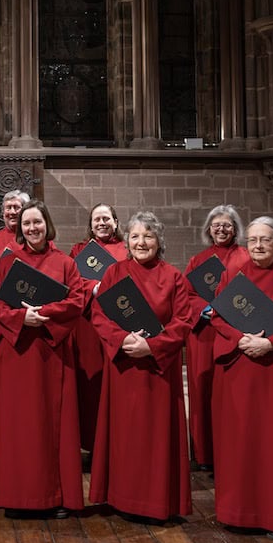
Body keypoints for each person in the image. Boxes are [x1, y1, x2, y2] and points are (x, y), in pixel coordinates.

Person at [0, 200, 88, 518]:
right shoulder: (7, 261)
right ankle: (15, 496)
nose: (32, 228)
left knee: (50, 425)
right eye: (26, 223)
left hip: (51, 353)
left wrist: (44, 313)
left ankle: (54, 496)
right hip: (17, 353)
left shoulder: (65, 262)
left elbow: (77, 300)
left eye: (37, 222)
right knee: (18, 426)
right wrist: (20, 318)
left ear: (47, 224)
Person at [210, 217, 273, 540]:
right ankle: (238, 513)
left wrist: (272, 343)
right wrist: (240, 339)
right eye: (252, 240)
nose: (257, 246)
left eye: (265, 239)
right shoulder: (232, 275)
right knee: (239, 442)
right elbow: (218, 315)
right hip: (239, 369)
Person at [88, 211, 194, 524]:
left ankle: (156, 502)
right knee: (125, 437)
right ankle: (122, 498)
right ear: (127, 242)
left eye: (148, 236)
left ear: (159, 240)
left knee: (156, 438)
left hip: (158, 370)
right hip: (124, 368)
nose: (141, 242)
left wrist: (153, 346)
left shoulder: (173, 277)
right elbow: (99, 314)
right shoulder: (114, 273)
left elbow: (183, 320)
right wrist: (121, 339)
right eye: (135, 236)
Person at [182, 205, 250, 471]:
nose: (221, 229)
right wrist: (206, 308)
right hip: (205, 332)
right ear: (209, 229)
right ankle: (204, 454)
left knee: (232, 394)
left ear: (236, 229)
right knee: (203, 390)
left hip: (234, 331)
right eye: (216, 225)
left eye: (227, 225)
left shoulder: (246, 257)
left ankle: (231, 451)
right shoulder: (198, 260)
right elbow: (186, 294)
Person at [68, 203, 127, 457]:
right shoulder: (79, 250)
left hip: (118, 323)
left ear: (115, 222)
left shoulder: (127, 249)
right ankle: (92, 444)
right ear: (90, 225)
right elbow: (71, 283)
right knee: (91, 385)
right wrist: (94, 287)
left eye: (106, 218)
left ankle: (118, 442)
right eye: (97, 220)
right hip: (88, 326)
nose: (101, 223)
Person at [0, 189, 30, 257]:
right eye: (8, 208)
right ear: (3, 213)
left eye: (16, 207)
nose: (12, 212)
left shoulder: (35, 237)